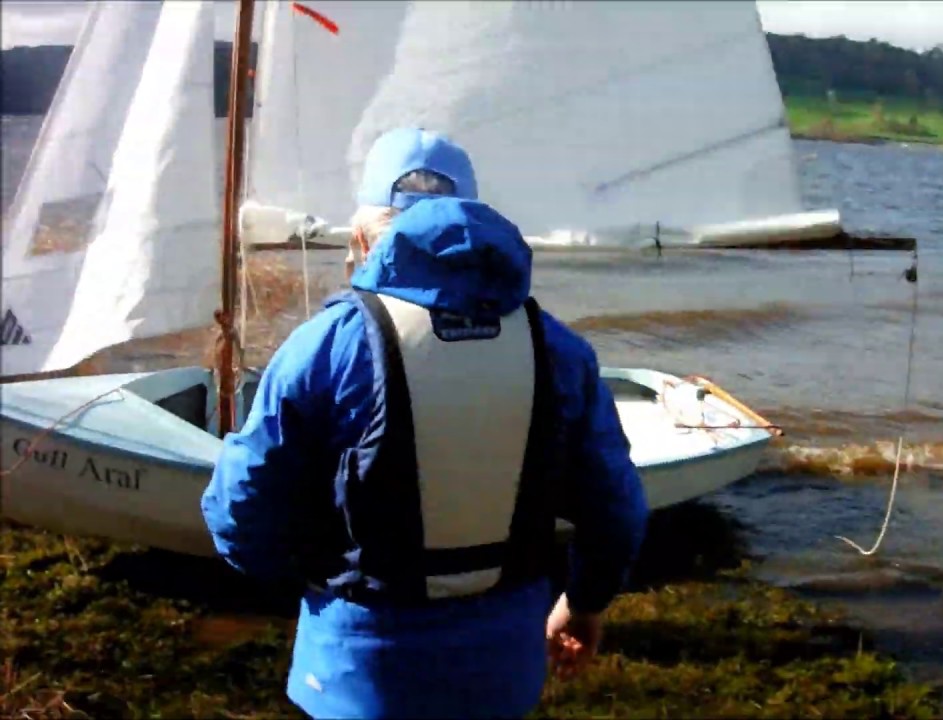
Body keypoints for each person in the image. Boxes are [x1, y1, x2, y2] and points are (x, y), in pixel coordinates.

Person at [200, 127, 650, 719]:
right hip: (503, 665)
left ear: (361, 241)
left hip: (359, 667)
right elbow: (616, 509)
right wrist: (584, 603)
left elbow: (240, 507)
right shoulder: (560, 350)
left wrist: (295, 588)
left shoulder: (326, 346)